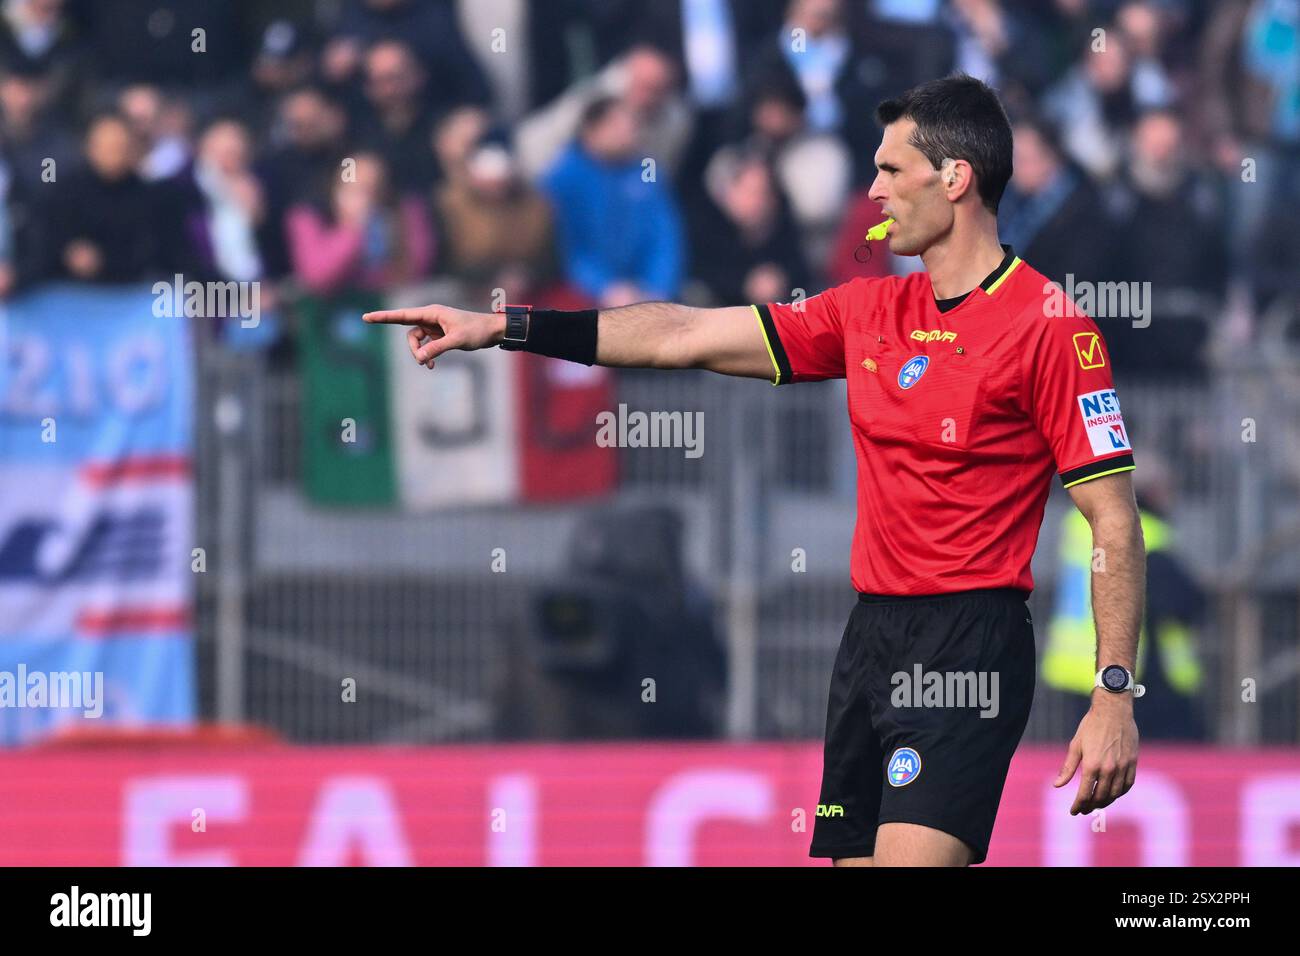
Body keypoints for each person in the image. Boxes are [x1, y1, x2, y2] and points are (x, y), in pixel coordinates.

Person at [363, 75, 1145, 867]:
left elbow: (1114, 517)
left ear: (955, 178)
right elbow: (682, 335)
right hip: (870, 635)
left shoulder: (1049, 327)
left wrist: (1113, 692)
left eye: (890, 171)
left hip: (967, 645)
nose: (871, 190)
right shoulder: (866, 311)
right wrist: (504, 327)